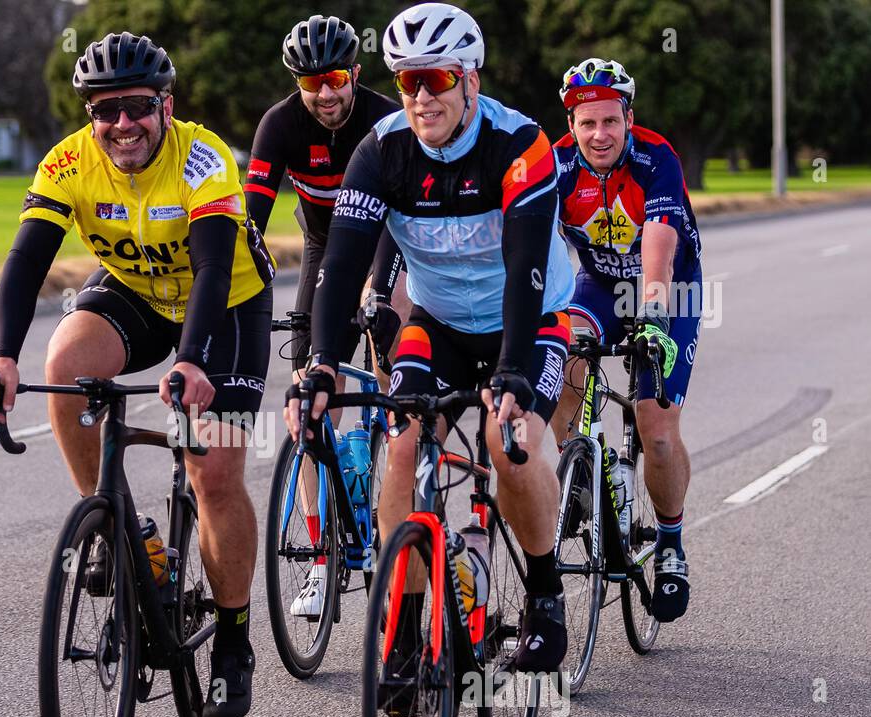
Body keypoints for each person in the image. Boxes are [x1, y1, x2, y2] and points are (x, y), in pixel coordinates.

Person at [0, 33, 275, 717]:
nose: (122, 124)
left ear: (165, 105)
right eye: (105, 110)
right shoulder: (69, 161)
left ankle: (231, 640)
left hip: (223, 304)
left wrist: (191, 359)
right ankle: (120, 528)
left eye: (137, 106)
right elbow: (27, 259)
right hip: (137, 291)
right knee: (64, 365)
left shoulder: (202, 159)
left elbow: (210, 268)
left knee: (214, 468)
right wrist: (1, 356)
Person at [285, 3, 577, 676]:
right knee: (403, 447)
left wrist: (509, 375)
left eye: (437, 79)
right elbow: (342, 266)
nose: (421, 96)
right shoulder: (381, 150)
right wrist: (323, 364)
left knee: (514, 445)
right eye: (407, 80)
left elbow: (527, 268)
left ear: (471, 79)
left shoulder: (520, 144)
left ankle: (544, 594)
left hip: (527, 319)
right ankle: (410, 632)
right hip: (439, 324)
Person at [247, 14, 410, 617]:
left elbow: (395, 222)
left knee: (393, 363)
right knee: (308, 396)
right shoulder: (278, 125)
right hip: (323, 249)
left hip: (388, 242)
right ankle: (321, 557)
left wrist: (377, 291)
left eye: (336, 78)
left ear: (356, 74)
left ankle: (400, 510)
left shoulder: (382, 119)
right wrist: (241, 290)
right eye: (310, 82)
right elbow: (251, 226)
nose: (325, 93)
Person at [551, 57, 702, 622]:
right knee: (562, 356)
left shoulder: (655, 158)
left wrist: (655, 316)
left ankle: (669, 543)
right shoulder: (557, 167)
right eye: (587, 123)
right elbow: (534, 248)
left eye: (610, 121)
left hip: (668, 288)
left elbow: (660, 241)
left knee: (655, 428)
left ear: (628, 119)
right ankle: (579, 472)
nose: (600, 135)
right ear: (571, 125)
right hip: (598, 284)